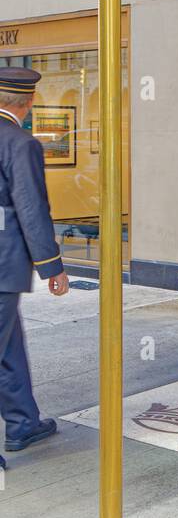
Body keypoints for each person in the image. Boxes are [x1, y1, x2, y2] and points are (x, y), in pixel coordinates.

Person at [0, 68, 68, 470]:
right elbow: (30, 208)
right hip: (2, 263)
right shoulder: (20, 142)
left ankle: (23, 422)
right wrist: (52, 266)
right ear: (27, 103)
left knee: (8, 347)